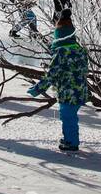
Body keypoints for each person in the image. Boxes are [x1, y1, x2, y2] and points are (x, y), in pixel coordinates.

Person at [27, 15, 89, 153]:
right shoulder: (81, 51)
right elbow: (85, 70)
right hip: (81, 91)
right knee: (71, 116)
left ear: (59, 37)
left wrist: (37, 89)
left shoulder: (61, 53)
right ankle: (70, 139)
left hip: (68, 93)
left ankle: (71, 143)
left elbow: (52, 75)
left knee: (68, 117)